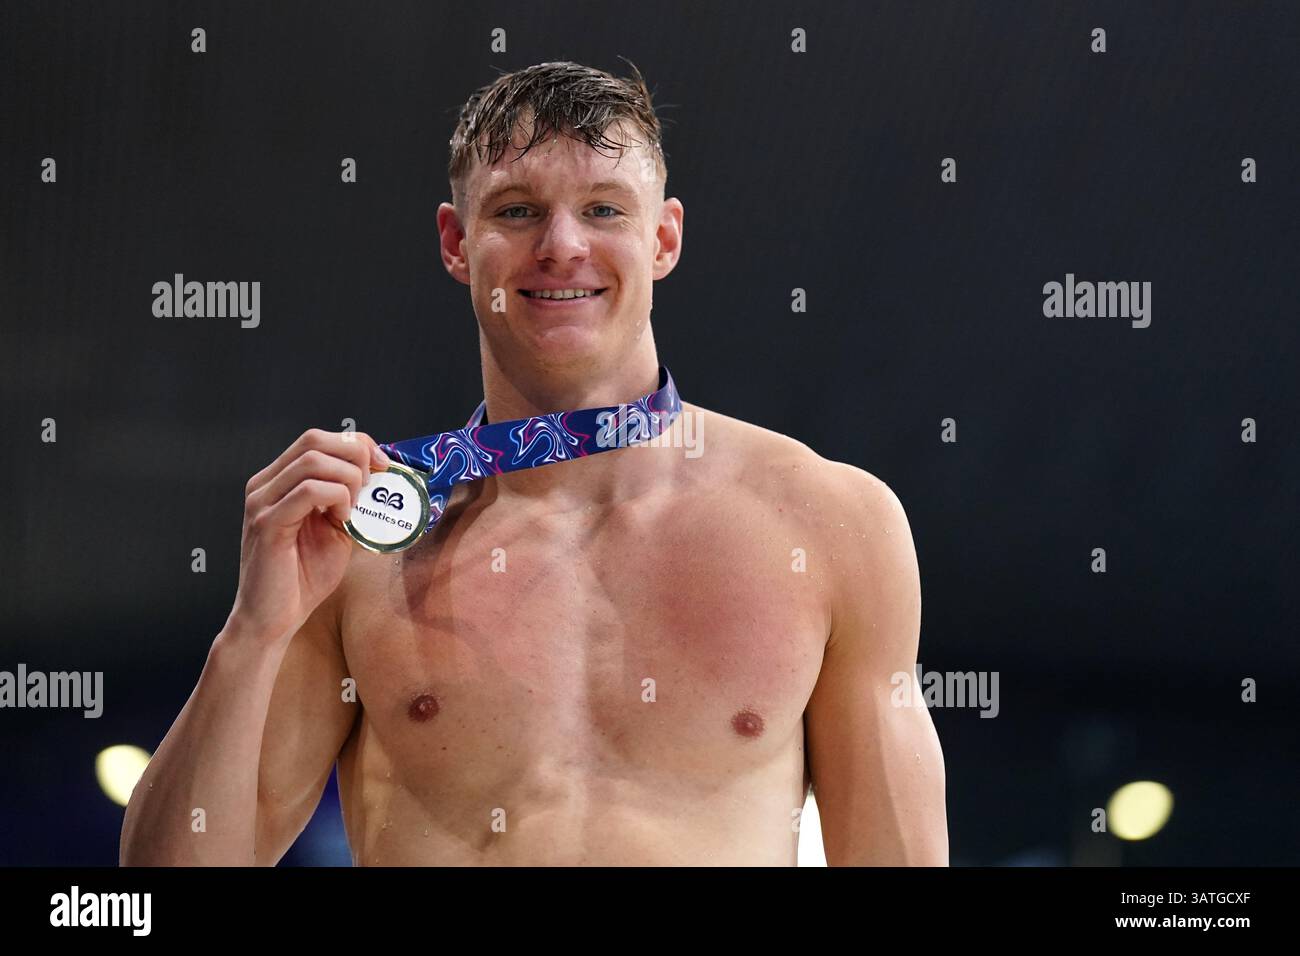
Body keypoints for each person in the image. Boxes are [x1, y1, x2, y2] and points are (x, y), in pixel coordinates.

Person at [120, 59, 947, 866]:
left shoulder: (833, 524)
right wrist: (250, 634)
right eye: (516, 211)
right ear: (456, 243)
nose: (561, 246)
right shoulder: (358, 547)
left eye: (603, 209)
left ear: (663, 239)